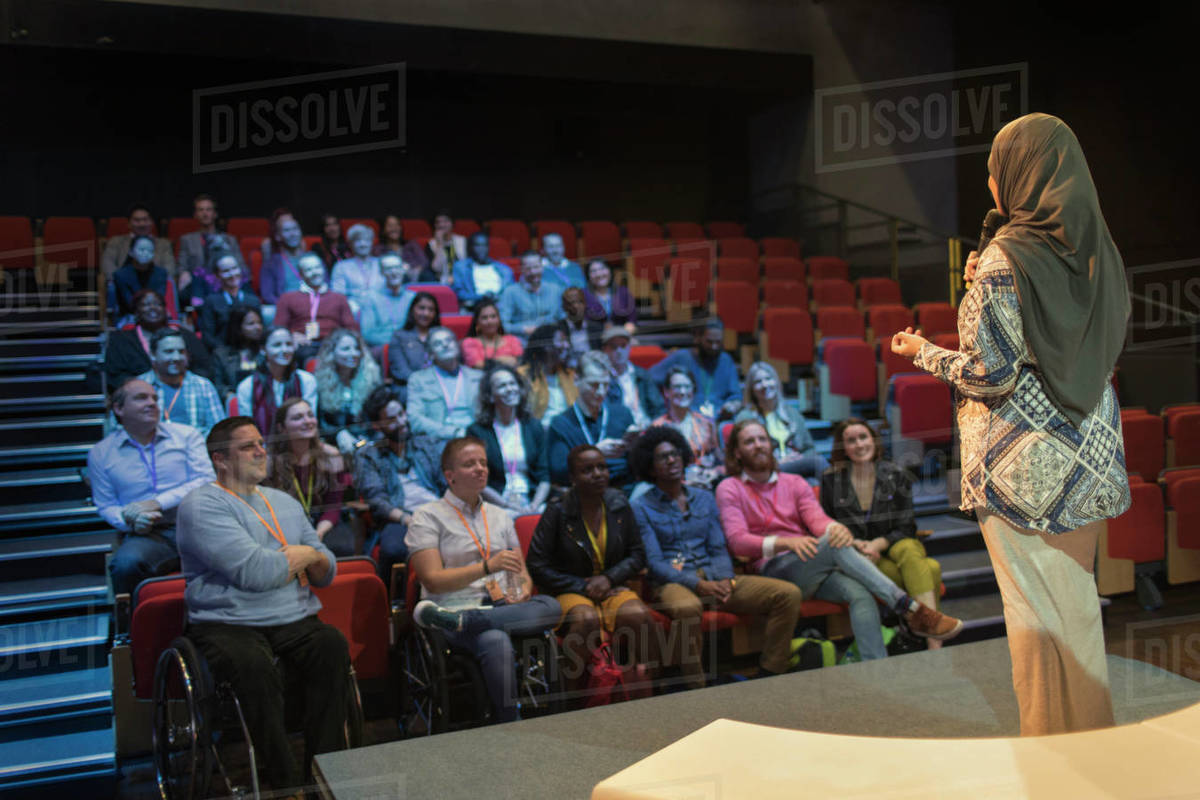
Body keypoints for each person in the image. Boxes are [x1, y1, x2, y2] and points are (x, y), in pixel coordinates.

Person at [892, 113, 1131, 735]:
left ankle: (1055, 747)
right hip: (1089, 459)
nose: (991, 183)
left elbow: (989, 374)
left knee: (1034, 618)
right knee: (1074, 609)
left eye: (996, 170)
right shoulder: (1096, 251)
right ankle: (1087, 744)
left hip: (1022, 469)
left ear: (1021, 172)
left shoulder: (1007, 257)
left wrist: (923, 351)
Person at [176, 416, 348, 794]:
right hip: (227, 621)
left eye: (260, 444)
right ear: (220, 459)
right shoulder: (201, 506)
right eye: (247, 447)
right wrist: (303, 557)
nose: (260, 452)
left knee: (331, 645)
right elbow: (255, 573)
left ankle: (324, 775)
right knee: (252, 665)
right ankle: (284, 783)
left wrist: (305, 556)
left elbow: (327, 569)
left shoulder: (283, 501)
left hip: (291, 616)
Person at [715, 420, 962, 661]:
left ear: (771, 445)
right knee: (833, 543)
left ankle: (878, 667)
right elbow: (737, 541)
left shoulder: (794, 482)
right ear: (737, 452)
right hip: (772, 570)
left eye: (762, 439)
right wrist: (786, 543)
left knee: (860, 593)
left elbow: (817, 519)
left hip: (810, 563)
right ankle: (910, 609)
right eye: (749, 442)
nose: (758, 445)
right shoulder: (729, 488)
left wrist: (838, 530)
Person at [629, 426, 804, 688]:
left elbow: (718, 547)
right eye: (663, 457)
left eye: (675, 454)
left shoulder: (704, 498)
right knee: (687, 608)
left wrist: (725, 579)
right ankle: (695, 688)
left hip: (714, 575)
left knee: (787, 594)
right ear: (650, 467)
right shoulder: (641, 506)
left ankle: (771, 672)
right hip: (673, 581)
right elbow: (655, 563)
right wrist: (699, 584)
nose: (672, 460)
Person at [405, 437, 562, 723]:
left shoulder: (500, 516)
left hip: (501, 608)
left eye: (483, 463)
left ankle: (468, 622)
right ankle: (510, 724)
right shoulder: (426, 517)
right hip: (453, 607)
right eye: (469, 464)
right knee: (495, 640)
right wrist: (487, 567)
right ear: (450, 475)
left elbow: (521, 573)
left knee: (551, 606)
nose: (480, 469)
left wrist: (522, 591)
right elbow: (433, 580)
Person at [526, 444, 657, 698]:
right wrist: (583, 586)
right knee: (586, 619)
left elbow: (638, 554)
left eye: (601, 467)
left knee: (639, 615)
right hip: (569, 589)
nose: (597, 474)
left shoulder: (619, 503)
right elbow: (537, 565)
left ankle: (647, 693)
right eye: (587, 470)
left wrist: (609, 578)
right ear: (573, 478)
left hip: (611, 586)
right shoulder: (557, 510)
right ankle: (571, 700)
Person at [820, 418, 944, 649]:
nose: (859, 444)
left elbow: (907, 526)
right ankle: (932, 643)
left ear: (874, 440)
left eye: (863, 437)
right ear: (843, 447)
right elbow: (826, 524)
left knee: (909, 547)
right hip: (859, 555)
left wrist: (878, 544)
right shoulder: (830, 479)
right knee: (932, 569)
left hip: (893, 544)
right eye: (851, 440)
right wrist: (857, 546)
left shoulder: (896, 474)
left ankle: (928, 637)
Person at [89, 378, 216, 594]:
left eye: (155, 398)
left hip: (197, 525)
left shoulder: (186, 435)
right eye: (141, 398)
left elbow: (205, 479)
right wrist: (130, 520)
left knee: (241, 548)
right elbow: (106, 504)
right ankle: (133, 616)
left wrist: (157, 503)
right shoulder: (101, 453)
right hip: (148, 535)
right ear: (119, 408)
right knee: (126, 565)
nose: (152, 403)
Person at [354, 385, 441, 582]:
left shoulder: (425, 444)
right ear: (377, 425)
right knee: (394, 550)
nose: (401, 422)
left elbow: (445, 483)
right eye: (392, 419)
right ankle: (394, 598)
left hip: (437, 510)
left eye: (402, 414)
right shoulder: (368, 455)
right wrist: (408, 520)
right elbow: (377, 502)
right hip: (401, 517)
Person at [265, 398, 355, 557]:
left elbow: (333, 507)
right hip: (285, 526)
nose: (307, 421)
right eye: (298, 418)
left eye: (310, 415)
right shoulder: (269, 463)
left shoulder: (331, 455)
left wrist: (318, 532)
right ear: (282, 428)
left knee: (341, 546)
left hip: (324, 523)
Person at [466, 365, 550, 515]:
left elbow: (545, 476)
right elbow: (478, 480)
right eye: (502, 386)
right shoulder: (477, 431)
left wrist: (534, 506)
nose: (510, 389)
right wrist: (508, 505)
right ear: (490, 396)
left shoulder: (533, 426)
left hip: (532, 501)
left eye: (512, 383)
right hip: (497, 503)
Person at [547, 351, 636, 487]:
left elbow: (634, 464)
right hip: (583, 491)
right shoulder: (561, 424)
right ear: (576, 380)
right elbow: (559, 471)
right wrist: (596, 453)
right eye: (593, 385)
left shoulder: (622, 414)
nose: (601, 392)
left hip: (624, 487)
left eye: (605, 385)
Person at [733, 361, 829, 481]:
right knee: (818, 463)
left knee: (813, 482)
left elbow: (809, 448)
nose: (764, 385)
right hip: (766, 469)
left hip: (796, 466)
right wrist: (776, 461)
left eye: (768, 379)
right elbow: (744, 455)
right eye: (758, 382)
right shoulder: (745, 417)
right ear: (751, 389)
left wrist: (799, 458)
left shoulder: (792, 413)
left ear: (776, 382)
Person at [102, 289, 212, 388]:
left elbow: (203, 367)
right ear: (136, 312)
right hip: (138, 395)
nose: (153, 308)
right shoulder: (120, 340)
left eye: (158, 304)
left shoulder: (186, 336)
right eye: (146, 304)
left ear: (165, 310)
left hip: (183, 389)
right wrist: (145, 387)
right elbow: (114, 376)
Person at [136, 328, 226, 436]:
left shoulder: (203, 386)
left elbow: (219, 432)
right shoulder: (138, 387)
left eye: (181, 351)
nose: (176, 357)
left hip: (195, 445)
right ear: (153, 355)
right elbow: (126, 430)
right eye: (169, 352)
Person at [649, 319, 742, 422]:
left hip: (719, 419)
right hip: (687, 417)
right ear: (698, 338)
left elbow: (736, 396)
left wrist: (731, 406)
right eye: (709, 342)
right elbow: (649, 379)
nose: (714, 346)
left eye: (718, 342)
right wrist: (661, 405)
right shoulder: (682, 357)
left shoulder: (726, 360)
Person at [406, 327, 483, 445]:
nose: (445, 345)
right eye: (438, 344)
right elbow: (415, 419)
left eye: (449, 340)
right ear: (431, 354)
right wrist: (452, 432)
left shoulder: (478, 377)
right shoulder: (418, 380)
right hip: (438, 439)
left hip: (476, 437)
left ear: (457, 346)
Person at [236, 327, 319, 435]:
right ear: (263, 349)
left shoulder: (306, 380)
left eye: (289, 344)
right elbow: (247, 430)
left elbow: (310, 422)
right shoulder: (247, 386)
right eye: (277, 345)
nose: (284, 350)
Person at [273, 253, 358, 359]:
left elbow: (351, 328)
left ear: (323, 270)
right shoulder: (287, 298)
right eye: (308, 270)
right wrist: (291, 335)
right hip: (303, 345)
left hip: (333, 345)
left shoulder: (339, 298)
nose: (315, 272)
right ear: (301, 274)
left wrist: (341, 340)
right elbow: (278, 328)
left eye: (317, 267)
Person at [313, 328, 382, 452]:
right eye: (346, 349)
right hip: (335, 444)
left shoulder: (371, 380)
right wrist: (338, 434)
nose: (353, 353)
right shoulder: (320, 383)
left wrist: (366, 441)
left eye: (356, 348)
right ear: (332, 353)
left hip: (367, 443)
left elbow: (376, 420)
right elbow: (321, 424)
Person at [651, 367, 721, 486]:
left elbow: (719, 461)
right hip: (671, 485)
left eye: (687, 387)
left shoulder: (706, 423)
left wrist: (714, 472)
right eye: (677, 387)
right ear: (666, 392)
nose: (683, 392)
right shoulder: (657, 427)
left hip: (704, 483)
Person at [177, 193, 248, 302]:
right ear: (195, 214)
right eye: (201, 210)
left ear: (215, 214)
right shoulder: (187, 240)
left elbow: (241, 266)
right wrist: (184, 273)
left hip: (225, 283)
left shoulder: (229, 240)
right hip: (197, 285)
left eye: (208, 210)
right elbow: (182, 266)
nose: (205, 213)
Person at [600, 326, 663, 428]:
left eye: (623, 346)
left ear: (629, 347)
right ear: (605, 350)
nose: (619, 351)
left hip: (647, 428)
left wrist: (656, 423)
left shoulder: (642, 374)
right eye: (614, 347)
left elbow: (659, 408)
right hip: (619, 429)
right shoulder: (602, 378)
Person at [198, 254, 262, 350]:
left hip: (251, 352)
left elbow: (260, 331)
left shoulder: (253, 301)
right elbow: (208, 337)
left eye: (235, 268)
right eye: (226, 271)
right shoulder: (211, 302)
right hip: (222, 353)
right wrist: (225, 353)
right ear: (217, 275)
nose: (232, 274)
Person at [110, 234, 178, 321]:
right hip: (130, 316)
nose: (145, 253)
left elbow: (159, 298)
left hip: (155, 314)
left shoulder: (161, 273)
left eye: (150, 250)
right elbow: (129, 303)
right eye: (141, 249)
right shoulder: (120, 275)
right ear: (131, 252)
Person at [101, 203, 176, 279]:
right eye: (137, 220)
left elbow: (170, 269)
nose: (142, 224)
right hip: (122, 283)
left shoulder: (163, 244)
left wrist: (156, 281)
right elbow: (108, 266)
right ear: (128, 223)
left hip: (155, 283)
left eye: (145, 219)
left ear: (152, 222)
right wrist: (119, 280)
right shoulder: (115, 242)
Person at [498, 250, 564, 338]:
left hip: (552, 340)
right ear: (521, 269)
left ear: (542, 267)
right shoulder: (510, 292)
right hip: (523, 340)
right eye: (528, 269)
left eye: (536, 267)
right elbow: (503, 325)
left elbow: (563, 319)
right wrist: (523, 329)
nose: (533, 272)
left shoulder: (555, 290)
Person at [386, 290, 439, 391]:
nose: (426, 313)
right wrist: (425, 385)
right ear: (412, 310)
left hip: (439, 386)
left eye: (431, 310)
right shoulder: (399, 336)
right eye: (421, 308)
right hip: (408, 387)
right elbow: (402, 371)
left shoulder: (441, 334)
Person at [360, 254, 416, 347]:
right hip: (383, 346)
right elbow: (367, 334)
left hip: (411, 345)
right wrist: (396, 341)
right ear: (381, 272)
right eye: (388, 269)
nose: (394, 272)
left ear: (403, 269)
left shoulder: (412, 297)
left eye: (397, 267)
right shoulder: (371, 298)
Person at [211, 306, 266, 401]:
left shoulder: (266, 352)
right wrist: (230, 396)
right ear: (238, 327)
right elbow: (218, 385)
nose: (258, 327)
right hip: (235, 401)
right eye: (251, 323)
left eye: (259, 323)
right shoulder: (221, 355)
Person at [258, 208, 311, 305]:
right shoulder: (271, 263)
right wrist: (285, 307)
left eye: (295, 229)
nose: (292, 234)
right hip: (286, 307)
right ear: (278, 236)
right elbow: (267, 295)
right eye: (287, 230)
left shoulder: (312, 257)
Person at [452, 232, 514, 309]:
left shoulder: (504, 269)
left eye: (484, 245)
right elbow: (459, 293)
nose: (481, 249)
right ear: (470, 248)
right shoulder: (461, 268)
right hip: (474, 306)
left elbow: (511, 293)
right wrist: (481, 297)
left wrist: (498, 296)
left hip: (500, 306)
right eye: (477, 245)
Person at [331, 223, 383, 314]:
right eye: (358, 240)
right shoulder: (341, 267)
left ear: (372, 242)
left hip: (382, 310)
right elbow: (338, 295)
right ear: (351, 244)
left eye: (367, 240)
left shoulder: (381, 263)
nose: (363, 244)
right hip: (354, 312)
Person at [462, 298, 524, 369]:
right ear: (477, 322)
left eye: (493, 316)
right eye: (484, 318)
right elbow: (478, 365)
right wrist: (502, 359)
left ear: (499, 319)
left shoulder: (512, 340)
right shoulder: (469, 343)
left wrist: (490, 362)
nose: (490, 321)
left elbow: (520, 362)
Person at [583, 259, 636, 334]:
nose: (599, 274)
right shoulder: (584, 295)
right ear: (588, 275)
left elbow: (631, 321)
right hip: (594, 337)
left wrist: (627, 329)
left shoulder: (623, 292)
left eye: (602, 269)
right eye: (593, 271)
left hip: (621, 336)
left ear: (610, 271)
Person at [417, 209, 466, 283]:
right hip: (440, 280)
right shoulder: (431, 244)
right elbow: (437, 269)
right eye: (438, 222)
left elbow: (466, 264)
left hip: (461, 278)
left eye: (445, 221)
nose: (441, 225)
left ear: (452, 223)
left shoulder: (463, 241)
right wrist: (440, 244)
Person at [559, 287, 602, 369]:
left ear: (585, 304)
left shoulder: (597, 328)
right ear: (564, 307)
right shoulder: (558, 329)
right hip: (568, 371)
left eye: (580, 302)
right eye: (571, 303)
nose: (576, 306)